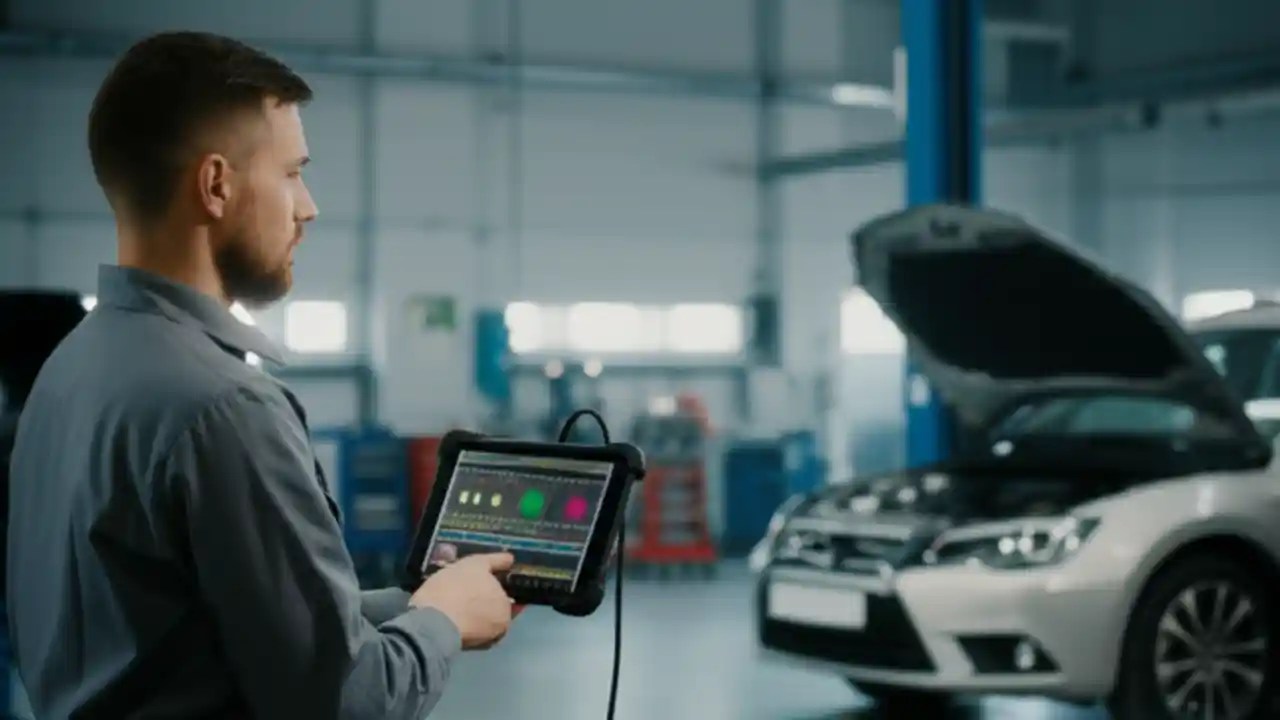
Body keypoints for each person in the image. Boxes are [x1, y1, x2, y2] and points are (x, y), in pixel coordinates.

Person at [5, 31, 519, 720]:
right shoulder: (224, 407)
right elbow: (343, 703)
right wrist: (444, 624)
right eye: (291, 172)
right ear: (216, 185)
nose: (307, 207)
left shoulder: (67, 371)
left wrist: (423, 601)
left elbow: (201, 623)